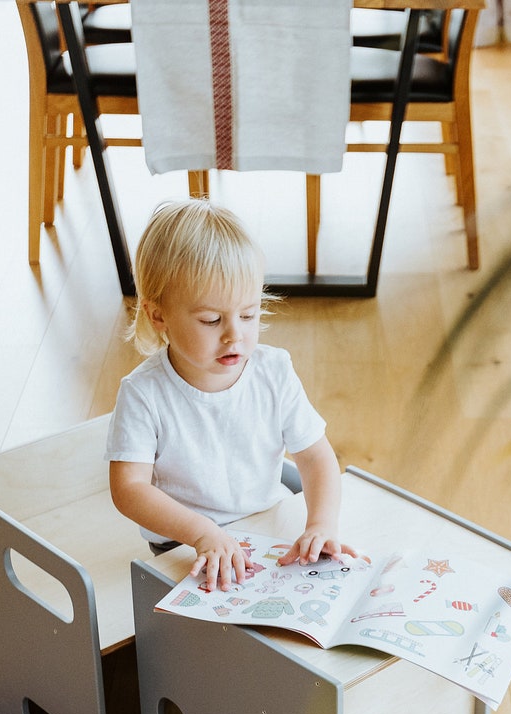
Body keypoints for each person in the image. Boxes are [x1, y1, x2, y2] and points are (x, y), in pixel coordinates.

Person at [106, 200, 360, 592]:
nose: (234, 335)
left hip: (264, 522)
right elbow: (129, 489)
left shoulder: (274, 371)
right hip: (184, 540)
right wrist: (202, 532)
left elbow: (315, 456)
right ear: (159, 316)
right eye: (211, 320)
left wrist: (322, 524)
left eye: (248, 314)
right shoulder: (143, 393)